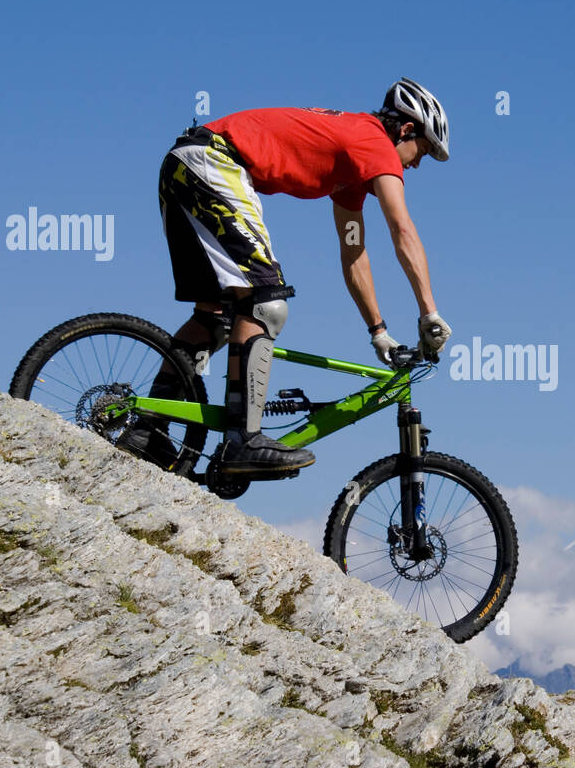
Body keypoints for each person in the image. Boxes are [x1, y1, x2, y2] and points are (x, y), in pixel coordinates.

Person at [127, 78, 453, 476]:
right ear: (405, 130)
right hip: (213, 165)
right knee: (266, 304)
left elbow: (353, 252)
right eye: (422, 151)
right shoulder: (374, 143)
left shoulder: (352, 172)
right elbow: (402, 228)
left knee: (214, 316)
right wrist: (429, 313)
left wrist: (378, 331)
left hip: (185, 165)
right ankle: (242, 440)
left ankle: (147, 430)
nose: (416, 164)